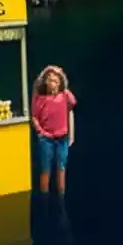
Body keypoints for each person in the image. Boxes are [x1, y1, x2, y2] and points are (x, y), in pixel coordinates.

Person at [31, 65, 76, 195]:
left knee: (61, 168)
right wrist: (40, 132)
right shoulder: (40, 98)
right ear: (45, 81)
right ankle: (44, 199)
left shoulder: (65, 95)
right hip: (46, 139)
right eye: (50, 80)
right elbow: (34, 117)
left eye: (56, 81)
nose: (53, 84)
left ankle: (61, 197)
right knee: (45, 170)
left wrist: (71, 135)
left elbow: (70, 112)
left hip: (62, 138)